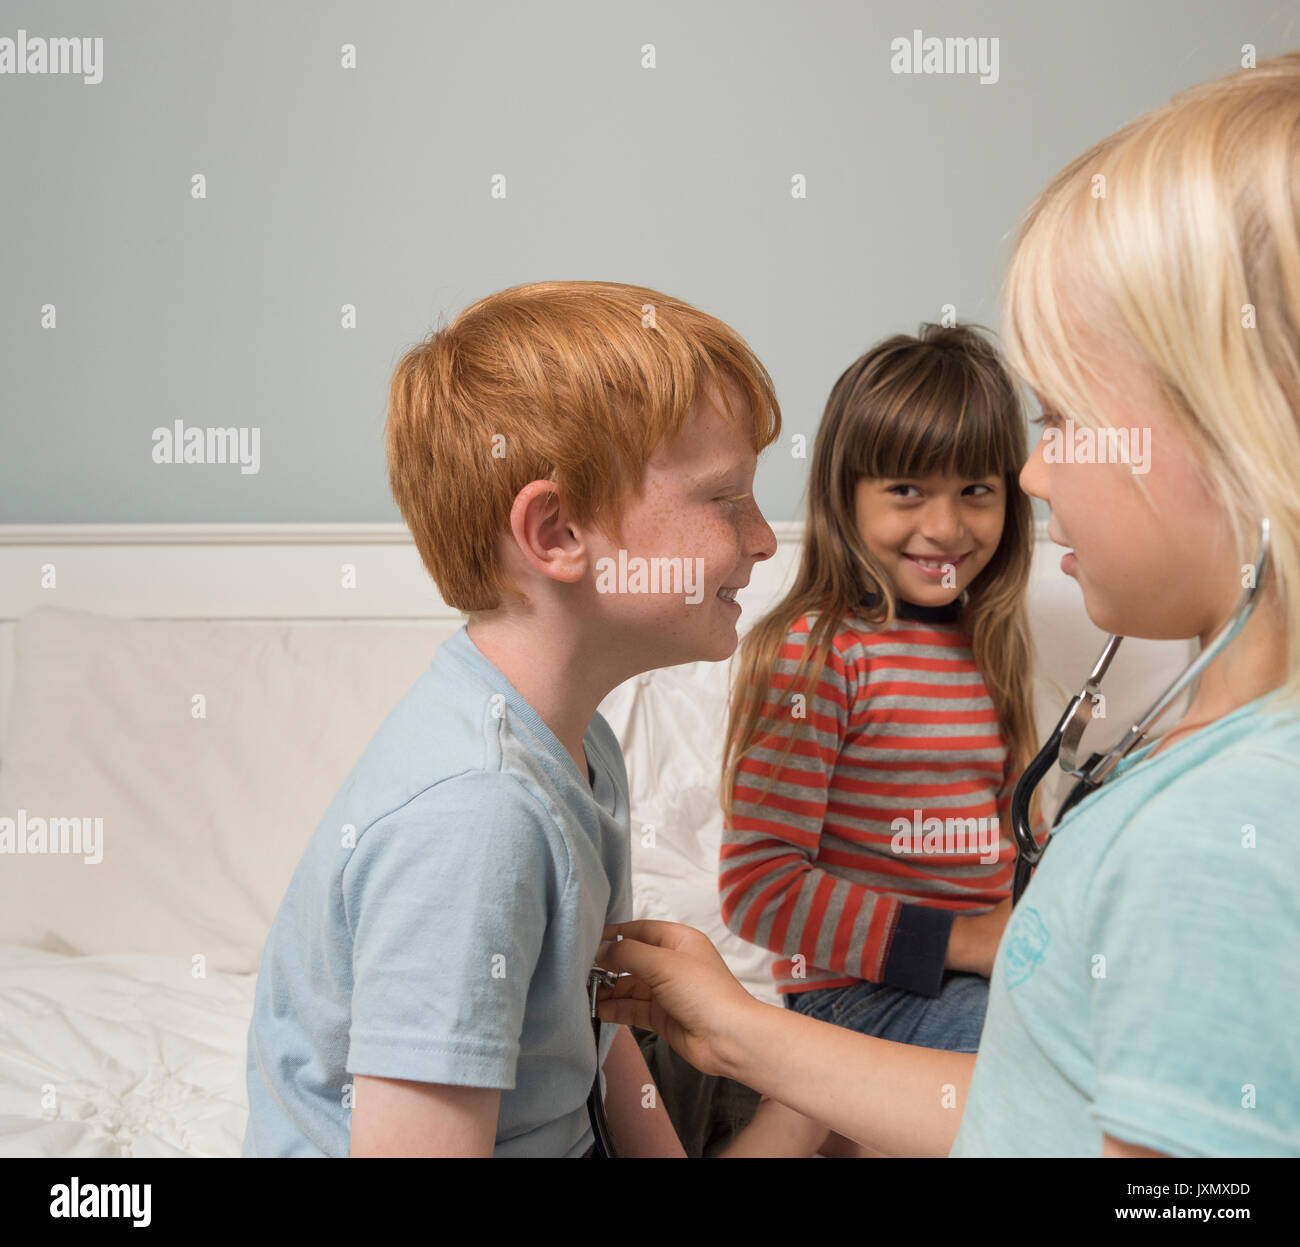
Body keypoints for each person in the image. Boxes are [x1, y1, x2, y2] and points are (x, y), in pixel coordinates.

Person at [594, 53, 1300, 1158]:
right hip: (869, 1002)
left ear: (1230, 429)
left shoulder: (1219, 831)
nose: (1030, 480)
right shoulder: (1206, 767)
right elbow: (1045, 1111)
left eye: (1061, 420)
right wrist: (743, 1031)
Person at [241, 279, 784, 1156]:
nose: (762, 538)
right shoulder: (475, 816)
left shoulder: (576, 742)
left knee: (827, 1100)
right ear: (558, 530)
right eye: (725, 498)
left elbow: (594, 1034)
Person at [716, 324, 1046, 1159]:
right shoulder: (817, 652)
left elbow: (1003, 839)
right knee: (1032, 1087)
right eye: (907, 489)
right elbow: (760, 888)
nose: (946, 526)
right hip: (854, 997)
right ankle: (812, 1115)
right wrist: (967, 940)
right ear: (846, 494)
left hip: (978, 976)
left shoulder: (992, 641)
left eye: (977, 490)